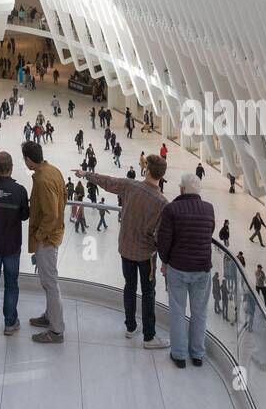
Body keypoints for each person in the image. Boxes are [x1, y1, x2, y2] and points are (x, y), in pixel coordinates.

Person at [79, 153, 169, 348]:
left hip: (126, 249)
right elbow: (160, 235)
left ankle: (130, 327)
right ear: (161, 175)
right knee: (148, 293)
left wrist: (86, 173)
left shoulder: (131, 186)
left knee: (129, 286)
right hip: (146, 255)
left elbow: (108, 182)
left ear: (146, 170)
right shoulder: (162, 202)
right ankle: (149, 336)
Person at [157, 171, 216, 368]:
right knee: (199, 313)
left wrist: (164, 261)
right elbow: (209, 233)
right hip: (202, 269)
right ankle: (198, 354)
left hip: (179, 268)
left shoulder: (172, 209)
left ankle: (180, 355)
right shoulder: (209, 209)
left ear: (181, 189)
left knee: (177, 311)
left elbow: (164, 241)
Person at [22, 141, 67, 344]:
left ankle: (56, 331)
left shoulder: (42, 179)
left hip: (47, 239)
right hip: (52, 234)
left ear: (29, 159)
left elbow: (51, 214)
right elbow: (63, 198)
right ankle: (50, 316)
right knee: (49, 282)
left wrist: (39, 237)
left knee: (50, 283)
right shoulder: (53, 170)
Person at [0, 151, 29, 335]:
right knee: (11, 284)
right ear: (11, 168)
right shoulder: (20, 190)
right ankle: (10, 323)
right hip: (12, 246)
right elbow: (25, 215)